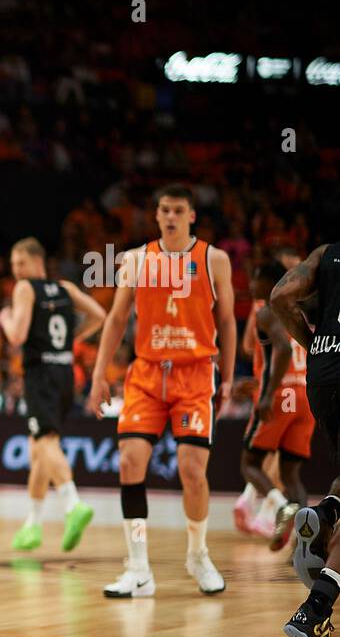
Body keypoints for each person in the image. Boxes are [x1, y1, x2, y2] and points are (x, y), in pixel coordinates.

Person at [88, 184, 237, 597]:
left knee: (192, 470)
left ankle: (198, 554)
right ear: (156, 216)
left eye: (178, 210)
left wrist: (225, 374)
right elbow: (117, 320)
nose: (170, 217)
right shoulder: (136, 260)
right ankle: (138, 568)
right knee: (129, 463)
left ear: (192, 216)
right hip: (148, 374)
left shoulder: (214, 259)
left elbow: (226, 320)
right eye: (164, 210)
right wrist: (100, 372)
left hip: (194, 373)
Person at [0, 237, 104, 552]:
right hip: (65, 372)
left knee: (45, 441)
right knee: (38, 450)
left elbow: (17, 336)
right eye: (13, 265)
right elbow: (100, 315)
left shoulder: (25, 289)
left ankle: (73, 504)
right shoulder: (66, 289)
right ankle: (32, 524)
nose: (16, 271)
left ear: (37, 261)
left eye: (20, 263)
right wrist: (70, 340)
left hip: (40, 374)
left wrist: (5, 319)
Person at [271, 242, 340, 637]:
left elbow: (280, 296)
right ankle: (315, 612)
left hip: (324, 371)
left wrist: (312, 344)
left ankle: (329, 510)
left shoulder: (327, 253)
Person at [237, 260, 312, 548]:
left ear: (269, 282)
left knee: (250, 463)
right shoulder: (301, 309)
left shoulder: (267, 311)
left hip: (280, 395)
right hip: (305, 396)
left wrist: (267, 393)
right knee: (291, 474)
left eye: (256, 277)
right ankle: (307, 544)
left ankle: (281, 506)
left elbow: (281, 348)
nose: (252, 284)